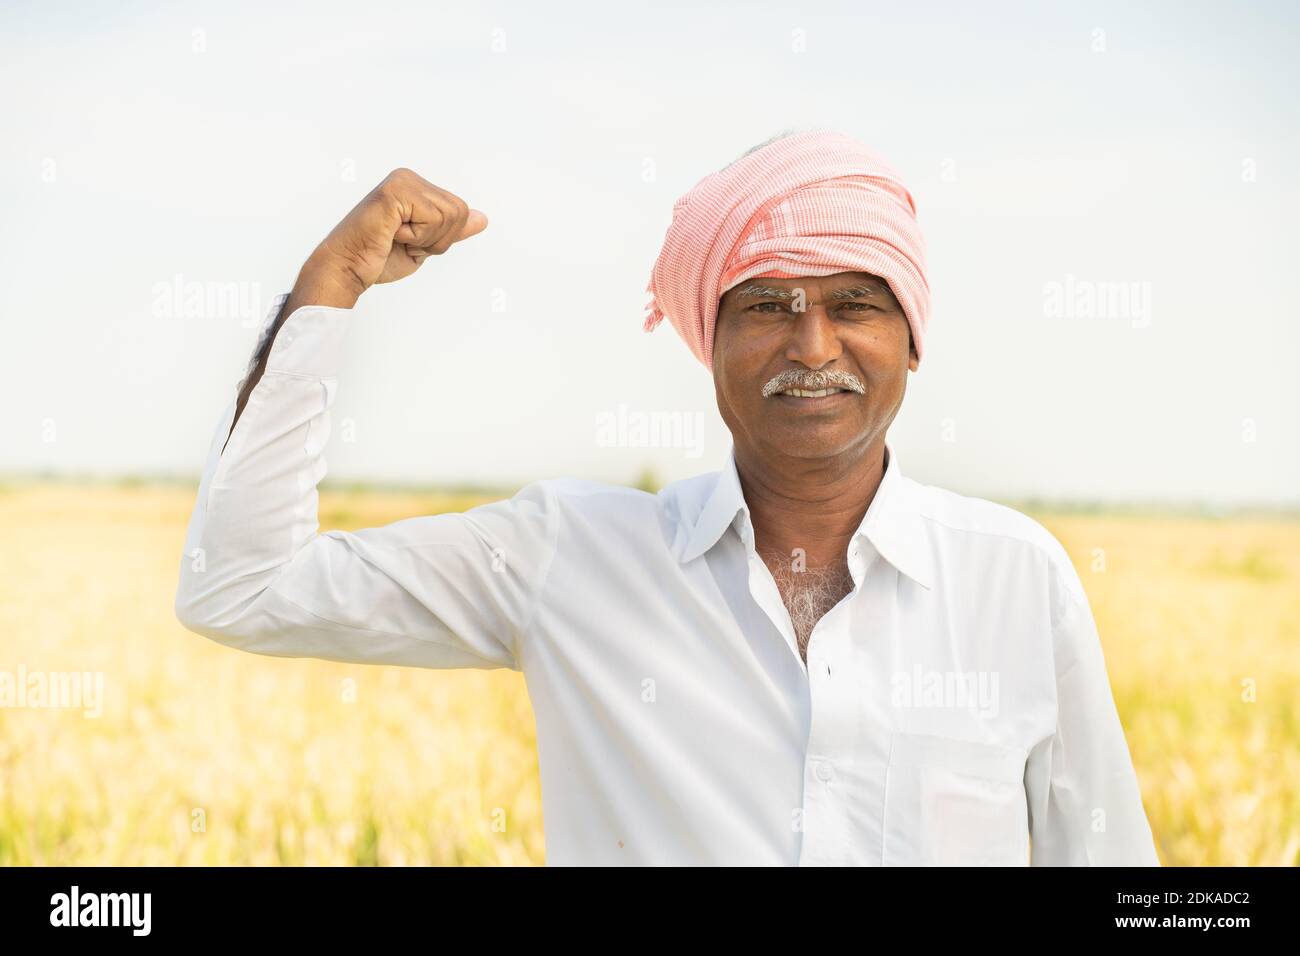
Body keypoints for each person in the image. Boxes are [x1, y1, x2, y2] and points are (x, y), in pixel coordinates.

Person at [174, 129, 1160, 866]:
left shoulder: (1014, 579)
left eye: (854, 303)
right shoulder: (572, 555)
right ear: (705, 340)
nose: (811, 346)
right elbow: (243, 586)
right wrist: (330, 283)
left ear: (911, 339)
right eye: (765, 306)